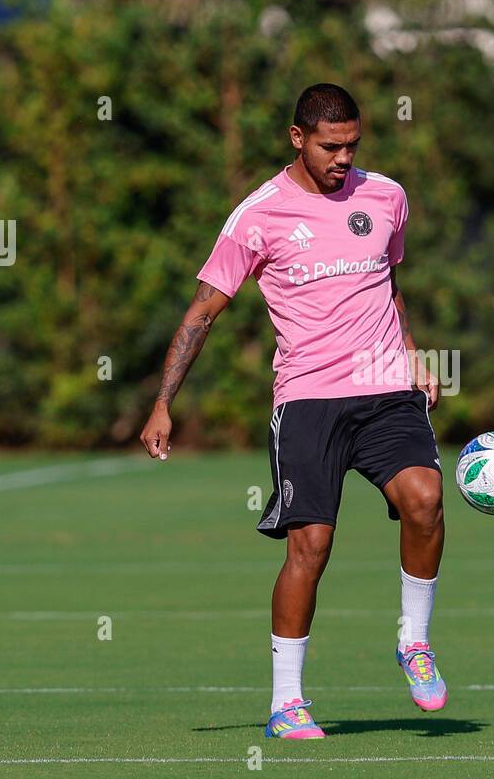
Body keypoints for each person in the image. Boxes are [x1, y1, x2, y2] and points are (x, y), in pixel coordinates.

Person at [139, 83, 446, 739]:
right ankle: (287, 702)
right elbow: (203, 311)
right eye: (331, 146)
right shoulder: (257, 216)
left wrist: (415, 356)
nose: (343, 158)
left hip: (386, 386)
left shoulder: (386, 196)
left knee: (425, 498)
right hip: (308, 398)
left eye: (353, 145)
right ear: (297, 138)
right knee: (312, 545)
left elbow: (388, 285)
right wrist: (164, 402)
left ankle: (414, 642)